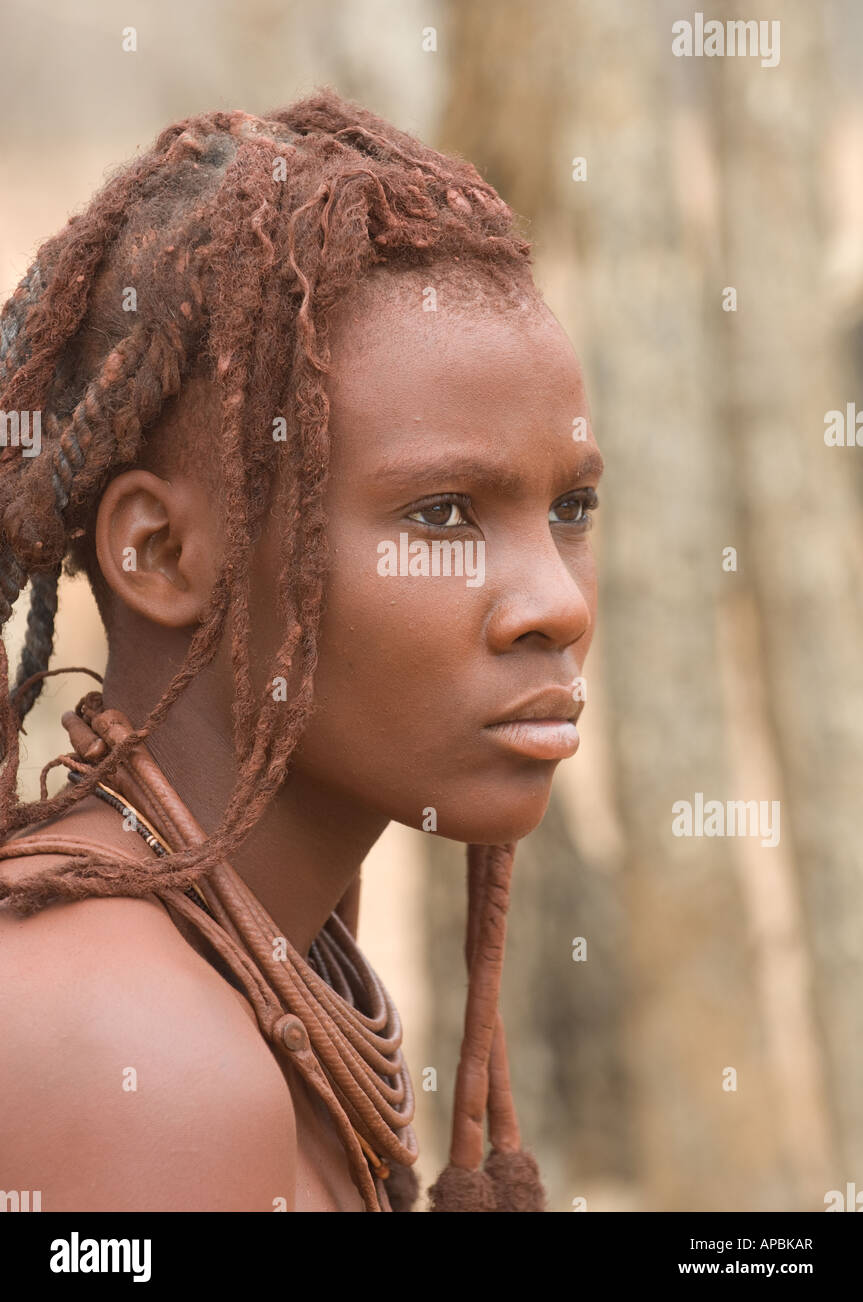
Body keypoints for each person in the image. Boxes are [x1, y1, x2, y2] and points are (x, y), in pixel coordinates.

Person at [0, 89, 603, 1211]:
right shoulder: (134, 1058)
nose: (554, 604)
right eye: (440, 514)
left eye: (569, 509)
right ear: (166, 551)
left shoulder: (265, 971)